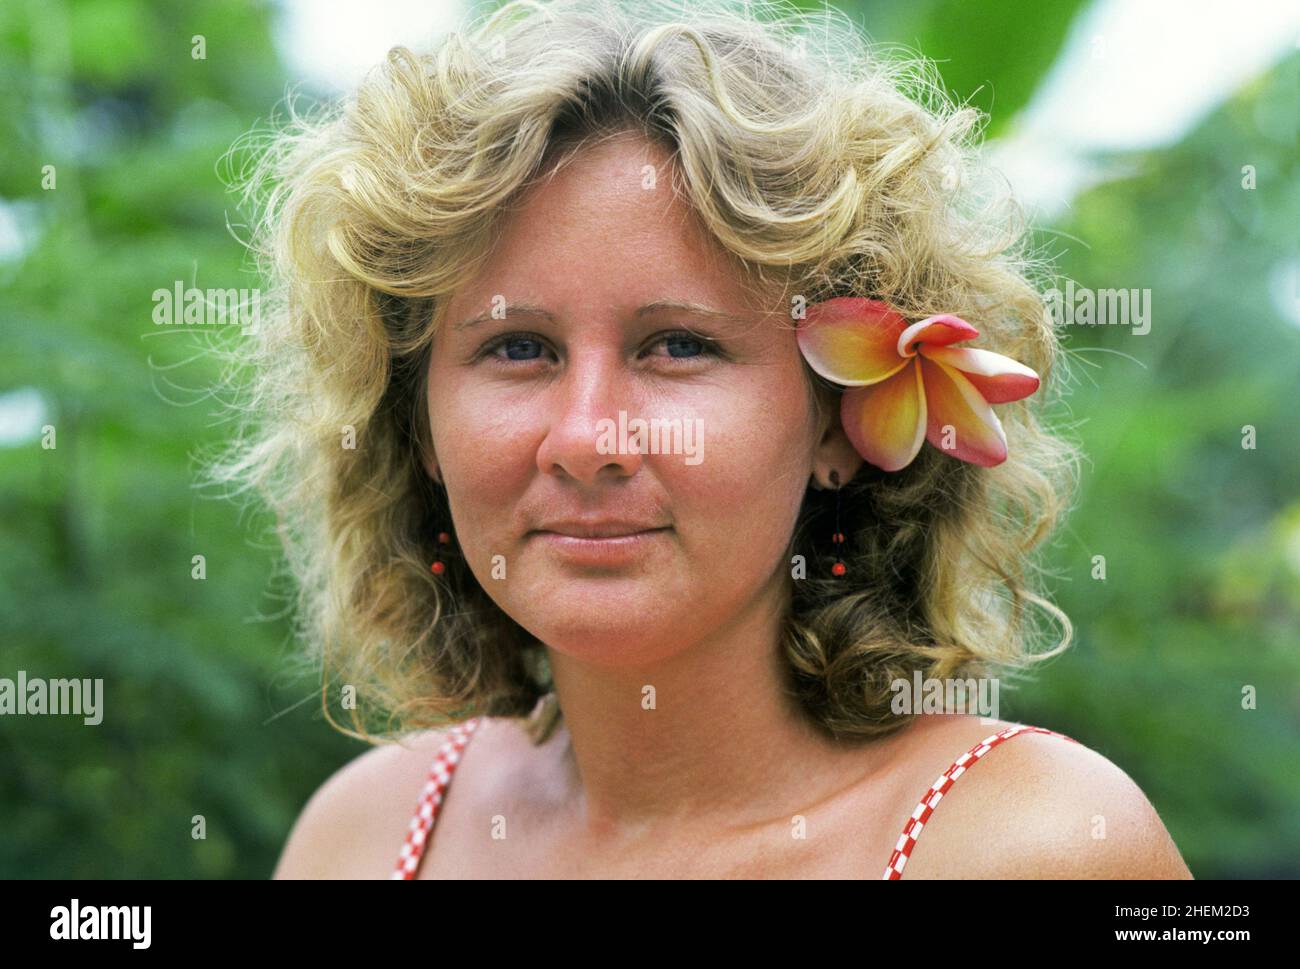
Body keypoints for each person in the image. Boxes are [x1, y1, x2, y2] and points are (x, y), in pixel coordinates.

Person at [224, 0, 1192, 878]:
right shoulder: (358, 844)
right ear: (418, 424)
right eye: (518, 348)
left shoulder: (1033, 847)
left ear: (839, 423)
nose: (586, 438)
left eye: (677, 345)